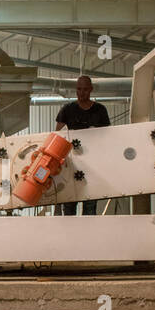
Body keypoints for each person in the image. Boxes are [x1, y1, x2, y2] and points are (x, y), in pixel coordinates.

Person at [54, 75, 110, 215]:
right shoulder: (67, 109)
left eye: (85, 89)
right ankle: (68, 235)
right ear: (76, 90)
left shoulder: (100, 110)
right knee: (69, 206)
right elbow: (57, 135)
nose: (82, 92)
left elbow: (108, 136)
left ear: (91, 90)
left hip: (93, 164)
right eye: (79, 89)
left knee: (90, 207)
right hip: (71, 163)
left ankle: (88, 235)